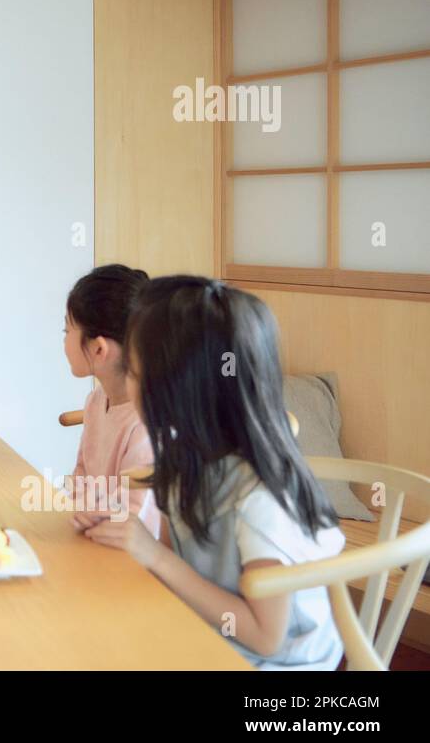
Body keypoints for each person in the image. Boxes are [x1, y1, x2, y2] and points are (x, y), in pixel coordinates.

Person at [79, 276, 344, 669]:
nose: (127, 384)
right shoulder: (181, 458)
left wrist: (153, 556)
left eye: (133, 372)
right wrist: (117, 525)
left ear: (180, 389)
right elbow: (177, 570)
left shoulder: (261, 500)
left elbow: (264, 638)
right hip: (205, 635)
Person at [62, 264, 159, 536]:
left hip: (132, 563)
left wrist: (89, 513)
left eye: (67, 330)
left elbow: (134, 516)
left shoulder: (146, 423)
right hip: (93, 540)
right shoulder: (96, 400)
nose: (65, 340)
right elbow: (81, 474)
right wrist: (79, 507)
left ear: (98, 348)